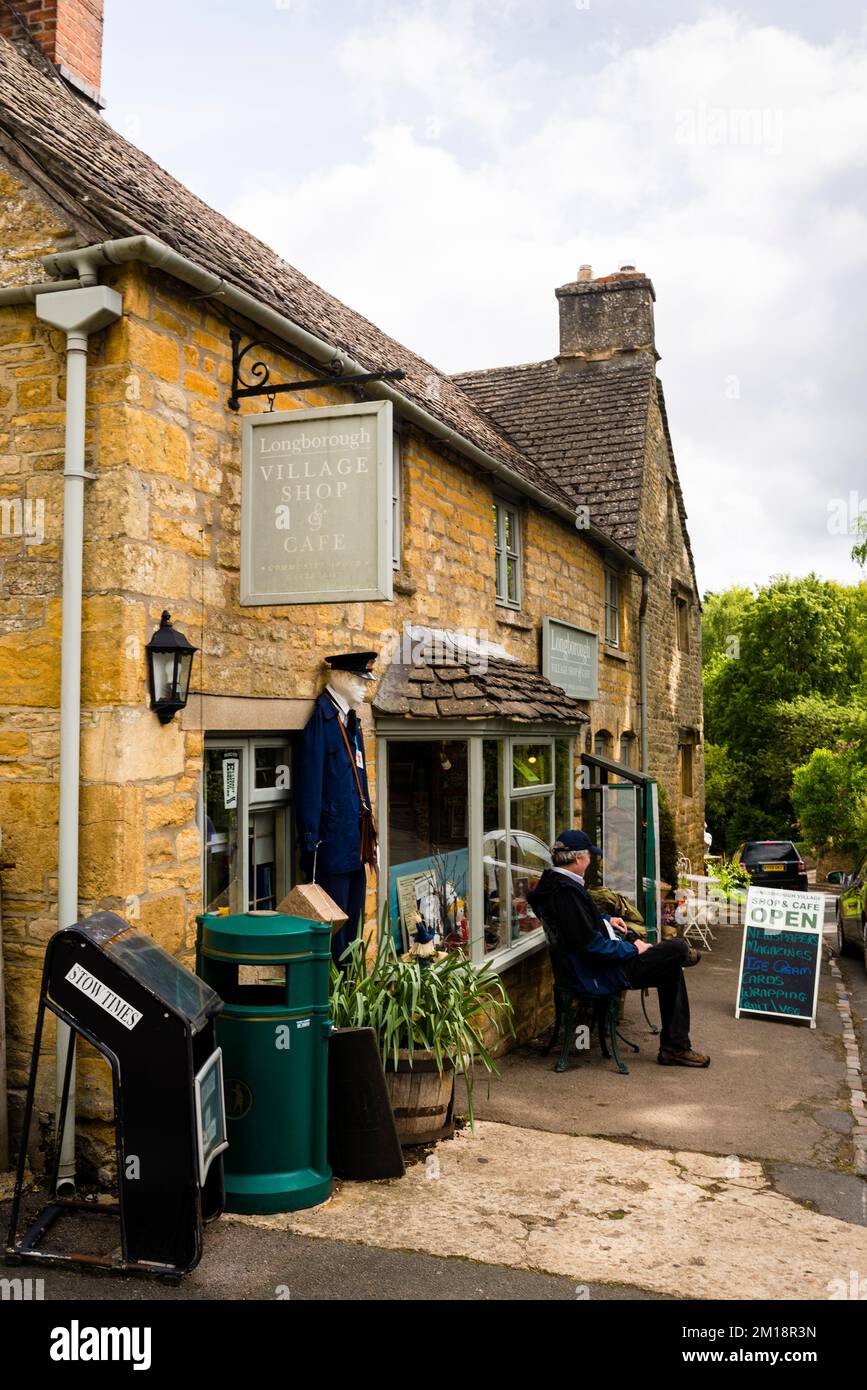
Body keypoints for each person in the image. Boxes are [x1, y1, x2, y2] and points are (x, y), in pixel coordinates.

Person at [527, 829, 711, 1067]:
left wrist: (605, 919)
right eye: (589, 856)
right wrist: (633, 950)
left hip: (596, 965)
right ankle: (675, 1043)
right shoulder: (566, 894)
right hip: (599, 972)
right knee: (675, 949)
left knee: (671, 967)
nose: (592, 859)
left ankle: (675, 1048)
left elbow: (581, 920)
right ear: (577, 859)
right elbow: (590, 946)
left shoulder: (556, 883)